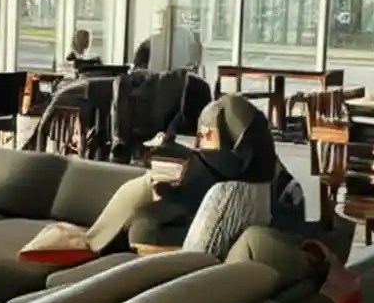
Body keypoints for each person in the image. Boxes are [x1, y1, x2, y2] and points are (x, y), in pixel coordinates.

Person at [87, 94, 302, 258]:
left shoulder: (219, 173)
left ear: (213, 133)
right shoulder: (268, 167)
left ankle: (90, 243)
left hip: (181, 244)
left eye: (204, 136)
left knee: (142, 218)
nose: (199, 143)